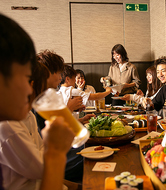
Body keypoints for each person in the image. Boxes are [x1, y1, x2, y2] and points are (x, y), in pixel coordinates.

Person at [0, 13, 74, 190]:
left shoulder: (25, 117)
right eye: (26, 78)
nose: (29, 90)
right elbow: (40, 168)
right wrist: (54, 152)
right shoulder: (7, 127)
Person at [35, 52, 95, 183]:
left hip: (64, 150)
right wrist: (69, 108)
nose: (61, 77)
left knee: (95, 145)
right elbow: (47, 135)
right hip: (59, 157)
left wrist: (80, 120)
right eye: (58, 72)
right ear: (47, 73)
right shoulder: (37, 102)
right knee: (95, 155)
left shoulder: (47, 95)